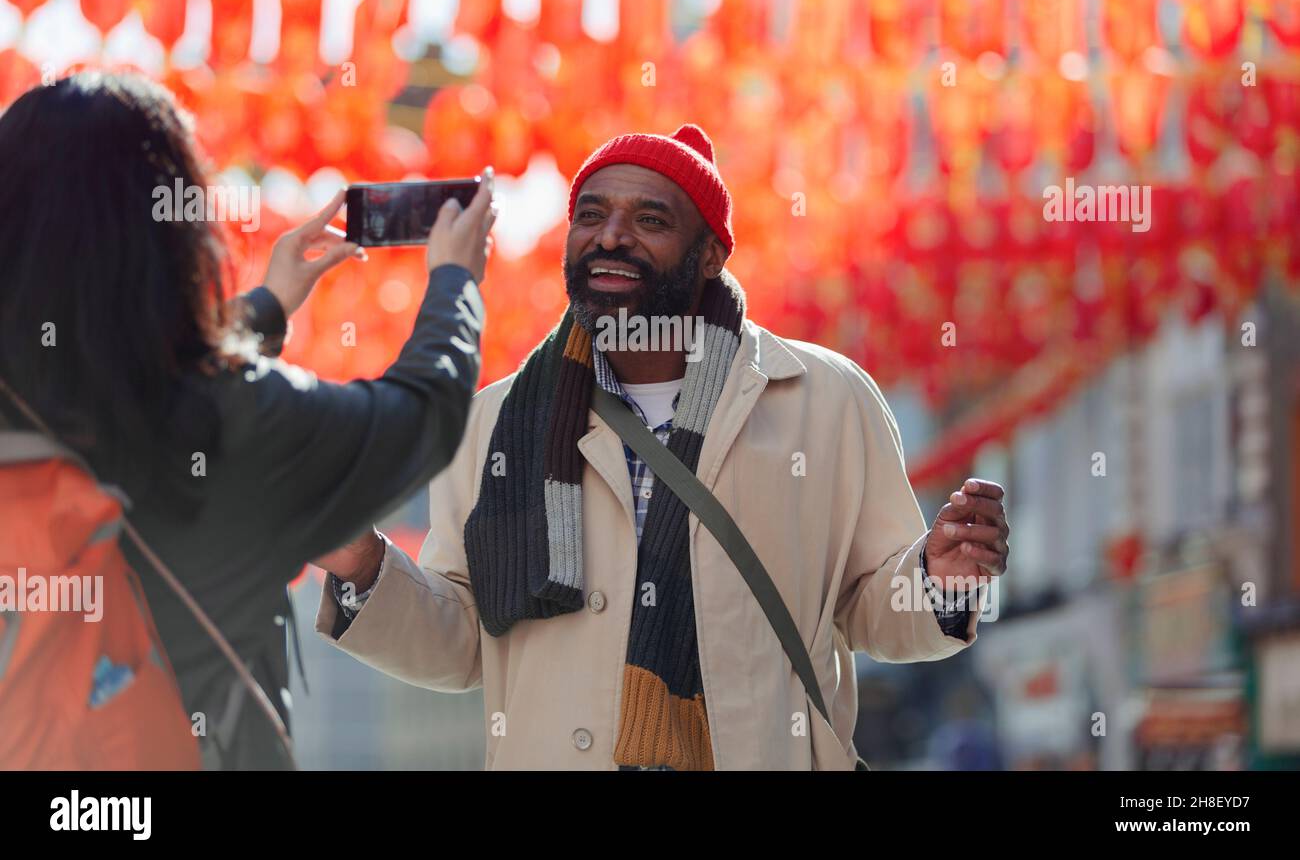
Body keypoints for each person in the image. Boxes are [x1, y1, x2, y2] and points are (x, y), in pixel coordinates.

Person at [315, 123, 1011, 770]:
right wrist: (364, 565)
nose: (610, 238)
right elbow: (466, 642)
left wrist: (939, 576)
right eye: (590, 215)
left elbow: (869, 610)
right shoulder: (494, 423)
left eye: (649, 220)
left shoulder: (826, 399)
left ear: (711, 253)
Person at [0, 70, 496, 768]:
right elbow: (422, 415)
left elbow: (131, 379)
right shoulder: (242, 422)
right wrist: (454, 282)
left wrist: (267, 309)